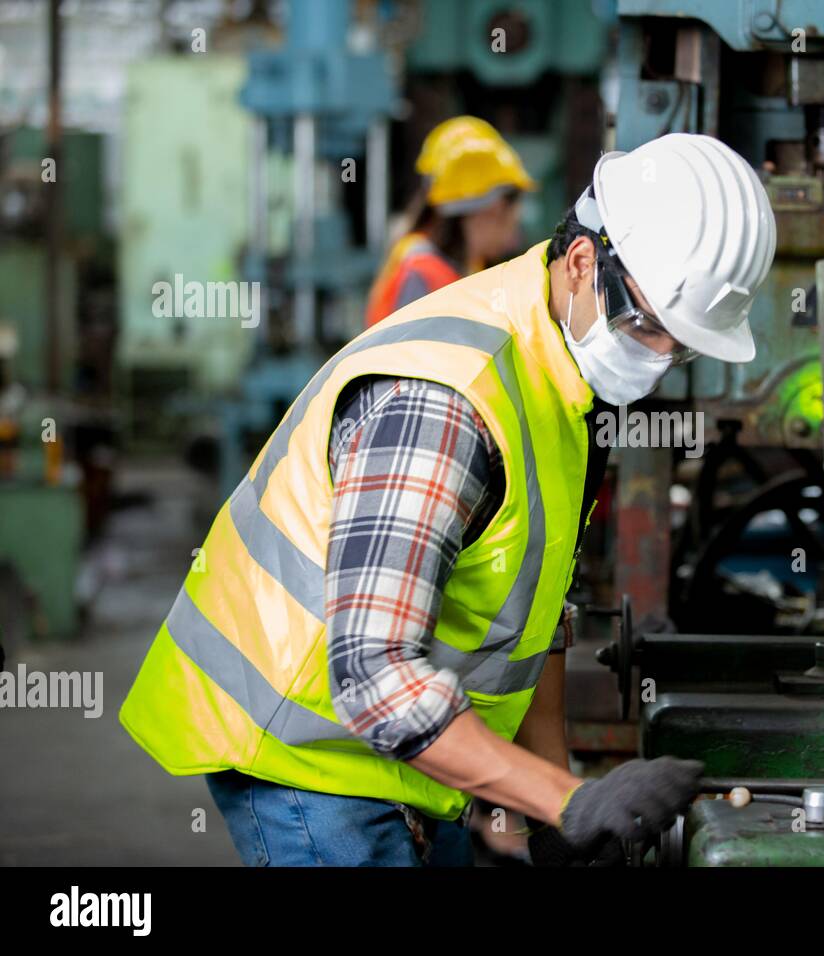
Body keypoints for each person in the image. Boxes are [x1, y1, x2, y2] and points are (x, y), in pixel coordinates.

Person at [119, 132, 777, 866]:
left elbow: (541, 614)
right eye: (647, 326)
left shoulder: (563, 375)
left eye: (679, 347)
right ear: (585, 263)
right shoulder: (448, 403)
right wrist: (566, 800)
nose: (658, 359)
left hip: (413, 760)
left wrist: (555, 806)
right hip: (307, 760)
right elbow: (372, 679)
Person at [364, 115, 536, 329]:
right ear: (494, 206)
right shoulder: (423, 276)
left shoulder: (457, 269)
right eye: (514, 212)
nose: (515, 230)